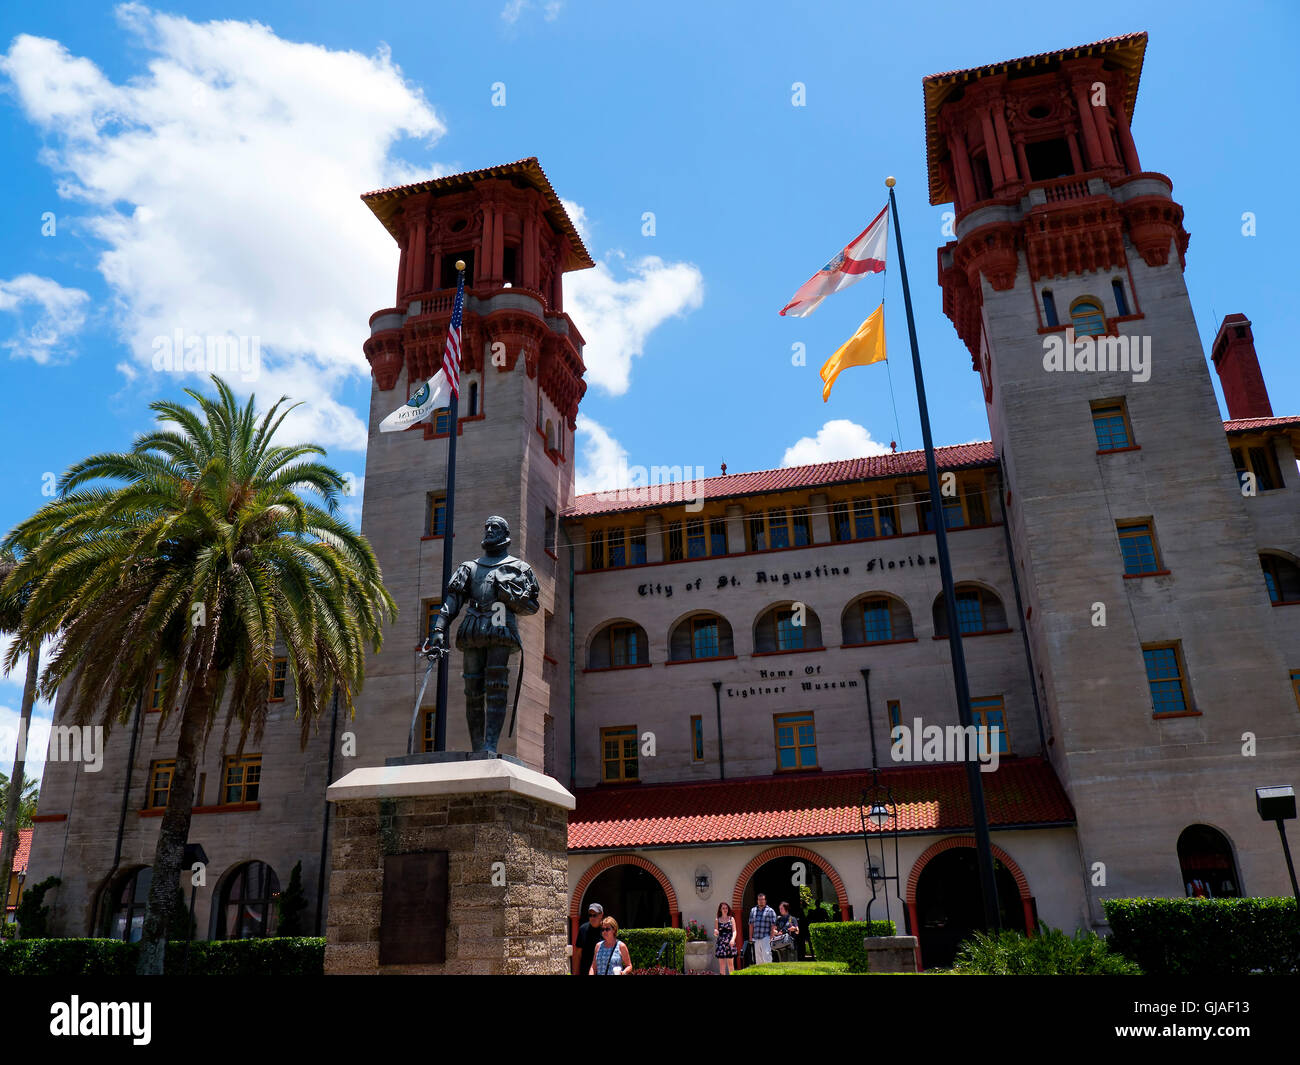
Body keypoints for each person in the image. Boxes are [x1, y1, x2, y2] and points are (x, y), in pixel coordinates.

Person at [573, 903, 605, 976]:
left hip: (602, 970)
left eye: (595, 915)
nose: (592, 918)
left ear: (601, 915)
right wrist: (575, 973)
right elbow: (578, 954)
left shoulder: (606, 930)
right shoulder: (583, 929)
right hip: (586, 970)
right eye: (590, 915)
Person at [748, 892, 777, 966]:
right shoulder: (753, 910)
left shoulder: (770, 911)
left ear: (765, 900)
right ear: (757, 900)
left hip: (766, 937)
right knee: (758, 959)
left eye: (762, 899)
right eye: (759, 899)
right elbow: (751, 925)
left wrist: (771, 938)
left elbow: (773, 925)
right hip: (755, 938)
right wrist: (750, 938)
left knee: (767, 957)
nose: (761, 901)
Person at [714, 901, 738, 975]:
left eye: (726, 908)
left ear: (728, 909)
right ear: (720, 910)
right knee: (722, 965)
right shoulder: (717, 920)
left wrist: (733, 939)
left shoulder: (731, 919)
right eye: (723, 908)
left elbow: (734, 931)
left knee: (730, 965)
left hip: (730, 942)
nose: (725, 909)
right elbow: (716, 933)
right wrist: (715, 932)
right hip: (721, 943)